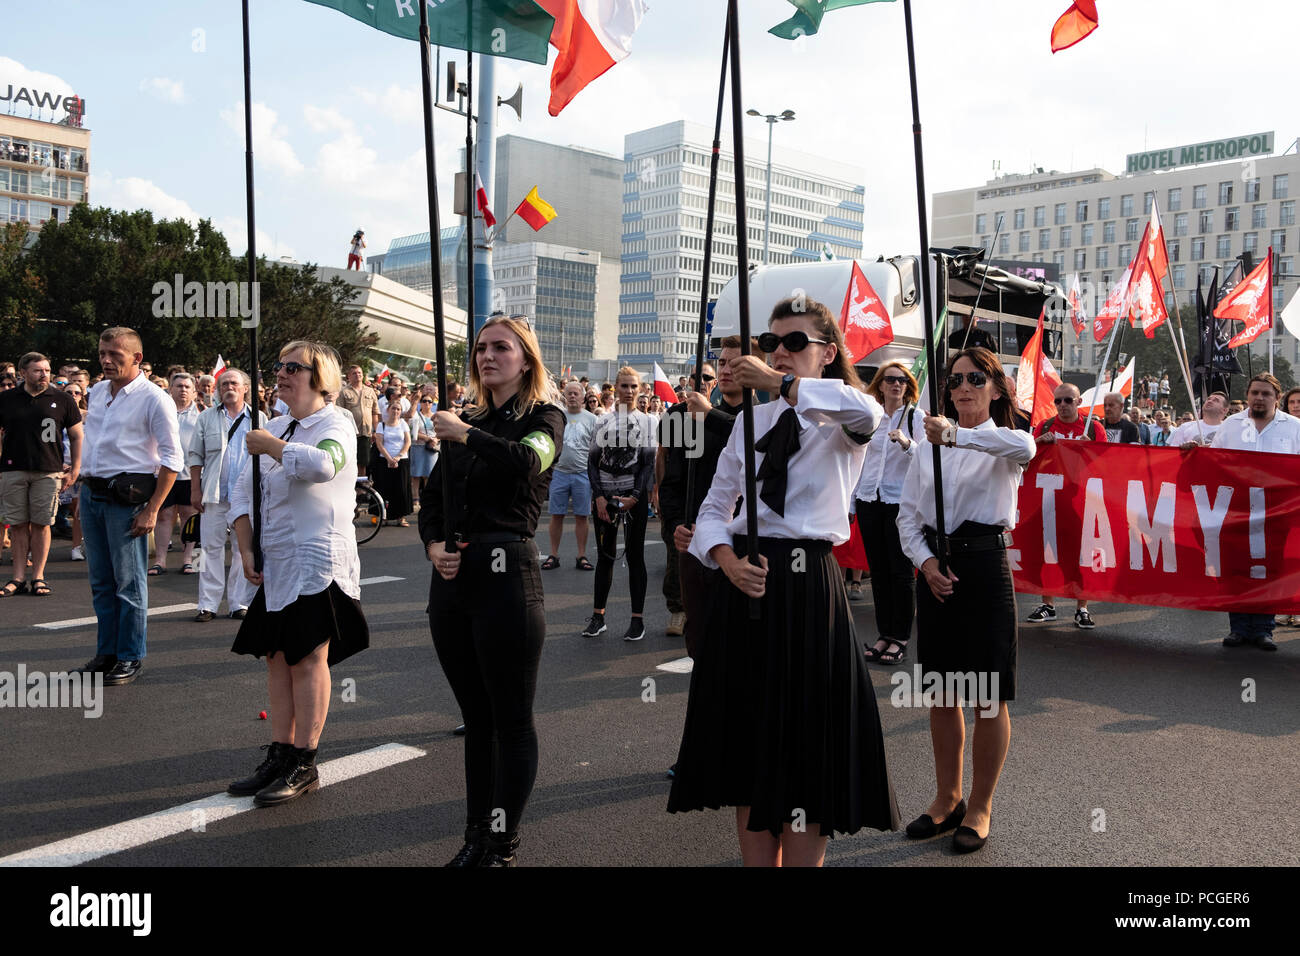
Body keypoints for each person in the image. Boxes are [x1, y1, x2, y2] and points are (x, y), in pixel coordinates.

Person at [668, 297, 897, 867]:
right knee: (749, 739)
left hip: (808, 588)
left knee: (808, 743)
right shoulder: (750, 421)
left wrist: (780, 381)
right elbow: (716, 505)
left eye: (796, 343)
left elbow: (864, 414)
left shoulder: (846, 414)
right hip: (746, 583)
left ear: (828, 352)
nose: (780, 353)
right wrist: (722, 557)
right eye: (772, 343)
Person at [420, 315, 565, 867]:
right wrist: (433, 544)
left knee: (511, 720)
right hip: (454, 579)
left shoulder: (546, 417)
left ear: (525, 359)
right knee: (477, 722)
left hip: (509, 576)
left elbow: (529, 464)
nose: (487, 356)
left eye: (501, 347)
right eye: (481, 348)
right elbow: (433, 501)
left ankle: (500, 843)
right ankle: (475, 835)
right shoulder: (468, 419)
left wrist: (468, 435)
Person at [897, 346, 1037, 854]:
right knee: (941, 690)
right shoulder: (926, 445)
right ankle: (946, 797)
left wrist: (956, 435)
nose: (963, 387)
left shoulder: (1007, 439)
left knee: (986, 693)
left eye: (976, 378)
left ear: (997, 388)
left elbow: (1024, 450)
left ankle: (980, 804)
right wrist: (926, 563)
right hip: (936, 567)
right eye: (955, 379)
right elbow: (907, 516)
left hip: (983, 567)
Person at [227, 341, 368, 806]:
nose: (282, 373)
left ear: (320, 376)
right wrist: (246, 548)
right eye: (279, 366)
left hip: (317, 561)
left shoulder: (335, 423)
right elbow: (243, 493)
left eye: (294, 367)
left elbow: (324, 465)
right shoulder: (273, 425)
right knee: (276, 656)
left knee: (308, 658)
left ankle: (305, 762)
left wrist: (272, 446)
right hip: (278, 561)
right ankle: (281, 752)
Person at [76, 328, 183, 686]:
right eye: (103, 353)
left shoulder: (155, 399)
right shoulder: (97, 390)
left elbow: (172, 460)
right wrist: (82, 493)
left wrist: (152, 509)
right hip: (92, 495)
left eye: (115, 355)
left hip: (127, 500)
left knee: (129, 584)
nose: (106, 360)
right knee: (101, 583)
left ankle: (130, 656)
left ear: (136, 358)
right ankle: (107, 653)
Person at [665, 343, 750, 657]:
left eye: (735, 364)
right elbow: (673, 481)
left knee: (741, 645)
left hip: (745, 548)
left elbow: (753, 442)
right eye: (723, 363)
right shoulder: (686, 418)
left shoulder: (767, 419)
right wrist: (675, 524)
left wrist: (710, 415)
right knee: (700, 643)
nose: (726, 370)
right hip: (696, 547)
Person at [1211, 373, 1300, 652]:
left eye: (1265, 394)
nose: (1259, 398)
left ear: (1277, 397)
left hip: (1277, 514)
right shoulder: (1230, 426)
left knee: (1269, 571)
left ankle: (1263, 629)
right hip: (1237, 511)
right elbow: (1213, 462)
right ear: (1248, 395)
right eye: (1255, 393)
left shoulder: (1295, 428)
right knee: (1237, 568)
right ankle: (1238, 628)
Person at [855, 361, 923, 663]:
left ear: (908, 386)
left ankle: (901, 637)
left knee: (900, 572)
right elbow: (857, 461)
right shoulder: (871, 417)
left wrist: (907, 443)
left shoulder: (915, 416)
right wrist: (851, 501)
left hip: (899, 502)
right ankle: (885, 635)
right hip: (869, 499)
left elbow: (928, 457)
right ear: (880, 385)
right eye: (890, 379)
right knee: (878, 572)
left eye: (902, 380)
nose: (896, 384)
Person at [582, 367, 656, 642]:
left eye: (633, 386)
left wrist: (635, 497)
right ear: (615, 388)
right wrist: (599, 496)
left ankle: (637, 620)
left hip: (633, 496)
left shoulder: (648, 422)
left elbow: (648, 464)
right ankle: (598, 616)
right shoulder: (602, 421)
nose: (628, 391)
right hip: (604, 496)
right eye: (623, 386)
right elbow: (592, 461)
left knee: (636, 557)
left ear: (640, 389)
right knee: (605, 556)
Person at [0, 352, 83, 597]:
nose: (44, 374)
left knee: (42, 523)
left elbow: (77, 435)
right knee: (17, 524)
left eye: (47, 370)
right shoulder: (6, 399)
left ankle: (38, 576)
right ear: (23, 373)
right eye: (38, 370)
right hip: (13, 469)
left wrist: (76, 469)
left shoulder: (63, 399)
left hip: (49, 470)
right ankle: (17, 577)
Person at [1026, 382, 1105, 629]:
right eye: (1057, 401)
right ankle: (1047, 604)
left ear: (1079, 402)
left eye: (1067, 400)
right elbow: (1027, 457)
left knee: (1078, 555)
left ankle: (1082, 607)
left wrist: (1090, 447)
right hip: (1049, 498)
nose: (1062, 405)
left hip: (1079, 500)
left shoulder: (1093, 427)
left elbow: (1108, 465)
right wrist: (1038, 441)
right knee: (1046, 551)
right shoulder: (1046, 425)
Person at [188, 369, 265, 622]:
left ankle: (238, 603)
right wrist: (195, 489)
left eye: (233, 383)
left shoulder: (259, 419)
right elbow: (196, 456)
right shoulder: (206, 418)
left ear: (245, 388)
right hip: (214, 494)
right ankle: (207, 605)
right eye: (223, 384)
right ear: (218, 389)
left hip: (246, 496)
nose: (228, 387)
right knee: (210, 549)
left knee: (244, 551)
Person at [656, 362, 719, 638]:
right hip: (679, 498)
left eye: (708, 377)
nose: (702, 381)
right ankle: (677, 609)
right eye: (697, 376)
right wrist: (658, 491)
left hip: (713, 500)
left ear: (714, 383)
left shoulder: (720, 417)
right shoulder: (675, 415)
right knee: (677, 554)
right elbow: (663, 455)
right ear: (688, 381)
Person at [543, 380, 598, 572]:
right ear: (564, 396)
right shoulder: (557, 417)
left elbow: (597, 450)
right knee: (556, 515)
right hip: (559, 472)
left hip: (583, 474)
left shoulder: (592, 419)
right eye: (569, 393)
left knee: (582, 516)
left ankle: (581, 555)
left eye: (576, 393)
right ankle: (553, 554)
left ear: (583, 397)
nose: (573, 396)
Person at [151, 373, 202, 576]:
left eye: (186, 387)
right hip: (163, 473)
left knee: (190, 517)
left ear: (193, 391)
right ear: (170, 389)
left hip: (191, 475)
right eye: (178, 386)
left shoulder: (202, 414)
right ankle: (160, 560)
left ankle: (189, 560)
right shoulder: (161, 411)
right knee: (163, 516)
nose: (182, 390)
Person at [373, 398, 413, 526]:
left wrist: (398, 457)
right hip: (384, 460)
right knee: (384, 488)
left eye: (398, 409)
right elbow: (379, 443)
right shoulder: (381, 425)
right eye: (393, 408)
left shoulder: (403, 424)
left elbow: (408, 442)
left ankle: (400, 517)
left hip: (401, 460)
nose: (396, 411)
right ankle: (382, 517)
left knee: (401, 489)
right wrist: (389, 458)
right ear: (388, 410)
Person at [337, 364, 380, 478]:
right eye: (354, 373)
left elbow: (375, 412)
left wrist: (376, 431)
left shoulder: (370, 392)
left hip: (365, 432)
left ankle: (362, 489)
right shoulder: (343, 392)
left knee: (363, 463)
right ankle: (351, 486)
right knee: (350, 461)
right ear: (348, 377)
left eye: (359, 373)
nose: (357, 375)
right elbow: (339, 413)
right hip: (349, 433)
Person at [410, 395, 438, 504]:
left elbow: (441, 431)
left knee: (429, 474)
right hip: (418, 446)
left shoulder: (435, 416)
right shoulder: (415, 415)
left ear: (432, 404)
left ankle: (427, 497)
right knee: (416, 474)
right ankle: (415, 497)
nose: (427, 403)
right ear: (420, 403)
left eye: (429, 401)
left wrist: (436, 439)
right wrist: (427, 438)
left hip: (432, 447)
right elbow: (412, 433)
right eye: (424, 401)